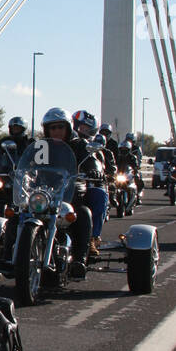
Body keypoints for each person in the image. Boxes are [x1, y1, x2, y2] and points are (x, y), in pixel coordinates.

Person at [38, 107, 93, 277]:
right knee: (18, 212)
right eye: (52, 128)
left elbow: (91, 160)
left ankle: (80, 259)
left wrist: (94, 169)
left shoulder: (79, 144)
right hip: (45, 191)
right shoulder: (42, 147)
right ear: (47, 130)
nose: (56, 131)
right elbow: (30, 165)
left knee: (83, 213)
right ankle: (9, 253)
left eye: (60, 127)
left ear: (68, 128)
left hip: (70, 192)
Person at [71, 110, 111, 257]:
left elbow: (97, 163)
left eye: (87, 129)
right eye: (80, 127)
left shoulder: (93, 148)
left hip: (82, 185)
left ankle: (92, 237)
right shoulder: (55, 144)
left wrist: (96, 171)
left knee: (99, 194)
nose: (82, 131)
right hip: (57, 185)